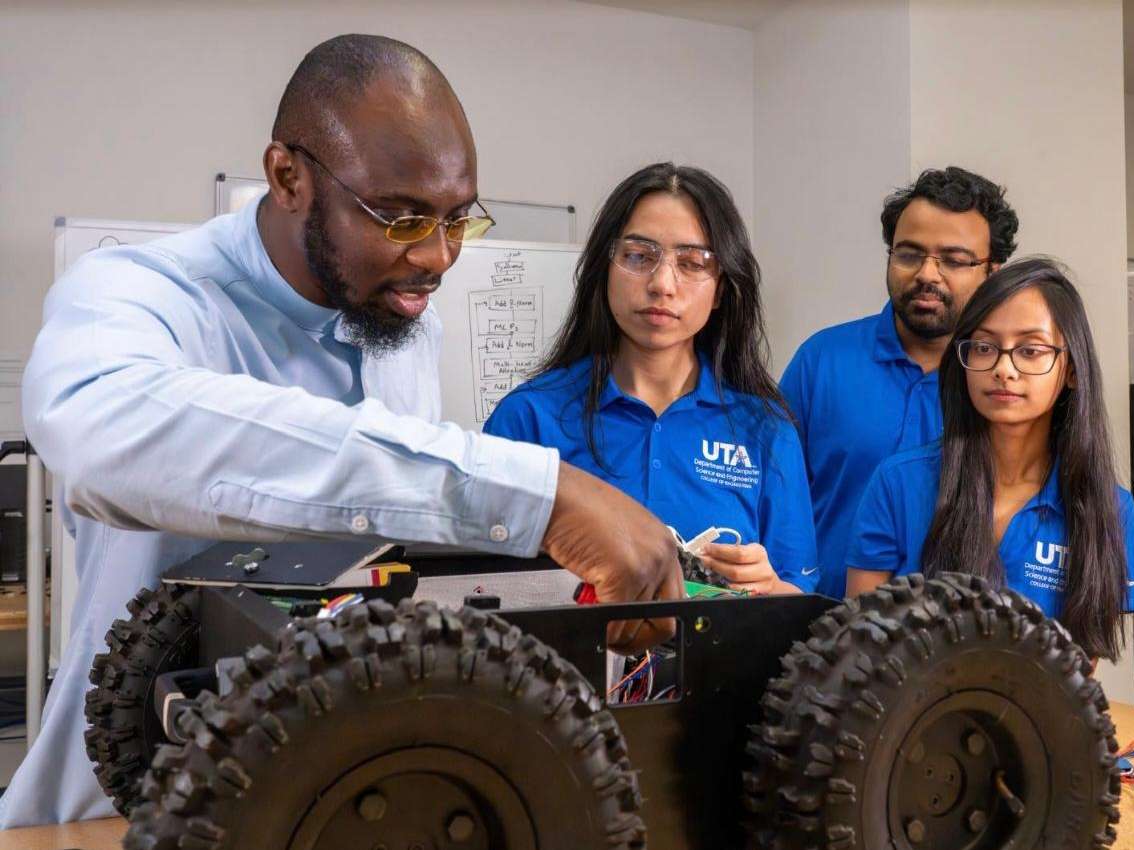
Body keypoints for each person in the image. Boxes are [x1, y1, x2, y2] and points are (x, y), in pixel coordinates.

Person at [3, 35, 682, 828]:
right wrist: (539, 493)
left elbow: (384, 527)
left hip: (343, 792)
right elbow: (105, 434)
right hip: (124, 804)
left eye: (459, 218)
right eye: (399, 218)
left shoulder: (401, 326)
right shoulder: (138, 296)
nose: (437, 257)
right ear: (288, 177)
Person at [485, 163, 817, 594]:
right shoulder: (528, 418)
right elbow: (483, 587)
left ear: (720, 289)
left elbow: (801, 596)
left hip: (721, 660)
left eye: (692, 262)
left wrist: (770, 590)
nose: (662, 284)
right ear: (605, 268)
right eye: (639, 257)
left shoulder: (766, 431)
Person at [846, 258, 1134, 660]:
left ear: (1071, 369)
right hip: (910, 715)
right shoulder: (898, 483)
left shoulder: (1108, 507)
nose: (1003, 369)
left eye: (1030, 350)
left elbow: (1080, 666)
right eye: (984, 347)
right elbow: (859, 645)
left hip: (1035, 717)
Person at [781, 167, 1019, 598]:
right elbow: (775, 505)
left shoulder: (1005, 385)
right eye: (909, 254)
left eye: (954, 259)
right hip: (824, 634)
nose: (928, 273)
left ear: (993, 272)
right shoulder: (822, 363)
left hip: (962, 645)